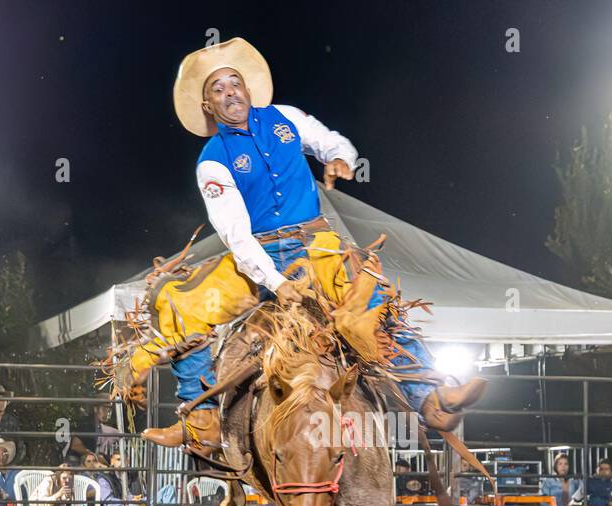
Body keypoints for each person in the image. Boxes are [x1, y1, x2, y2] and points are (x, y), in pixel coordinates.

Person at [135, 37, 485, 453]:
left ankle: (430, 396)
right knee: (182, 304)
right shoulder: (212, 161)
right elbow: (235, 234)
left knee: (373, 296)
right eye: (218, 89)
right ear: (208, 106)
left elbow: (331, 140)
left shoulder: (285, 117)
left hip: (315, 244)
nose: (230, 93)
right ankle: (201, 421)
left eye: (235, 83)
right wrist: (275, 281)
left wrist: (341, 159)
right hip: (259, 256)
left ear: (247, 89)